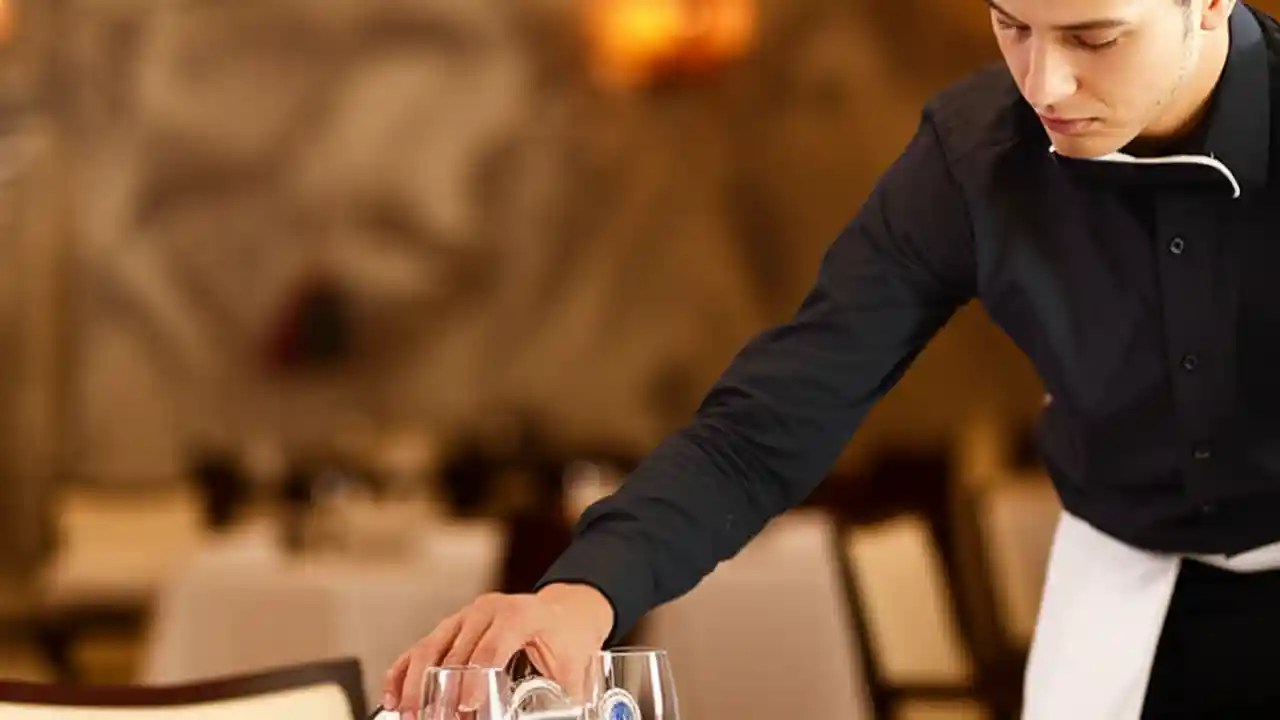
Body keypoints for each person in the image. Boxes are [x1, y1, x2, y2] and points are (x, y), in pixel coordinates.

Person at [384, 0, 1280, 716]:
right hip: (1123, 598)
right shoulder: (974, 156)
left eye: (1094, 38)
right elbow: (768, 426)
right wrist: (580, 597)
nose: (1045, 81)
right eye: (1011, 25)